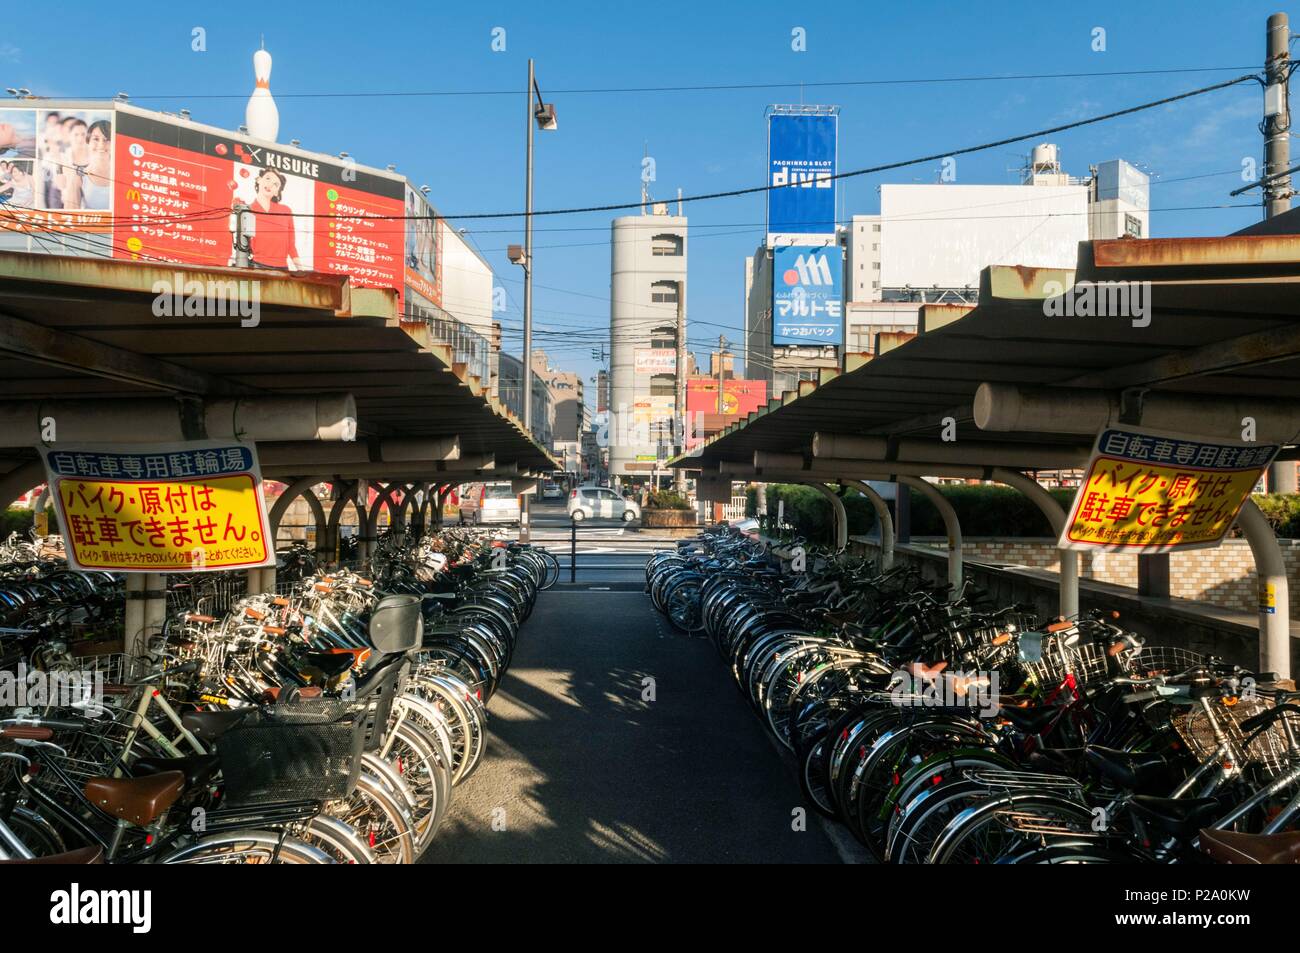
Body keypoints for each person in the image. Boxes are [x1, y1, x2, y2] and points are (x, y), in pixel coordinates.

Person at [244, 167, 300, 269]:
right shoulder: (247, 210)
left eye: (276, 184)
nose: (270, 185)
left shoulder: (286, 211)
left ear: (277, 192)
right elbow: (244, 245)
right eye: (268, 178)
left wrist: (301, 269)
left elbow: (291, 245)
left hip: (282, 268)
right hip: (256, 266)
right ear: (259, 180)